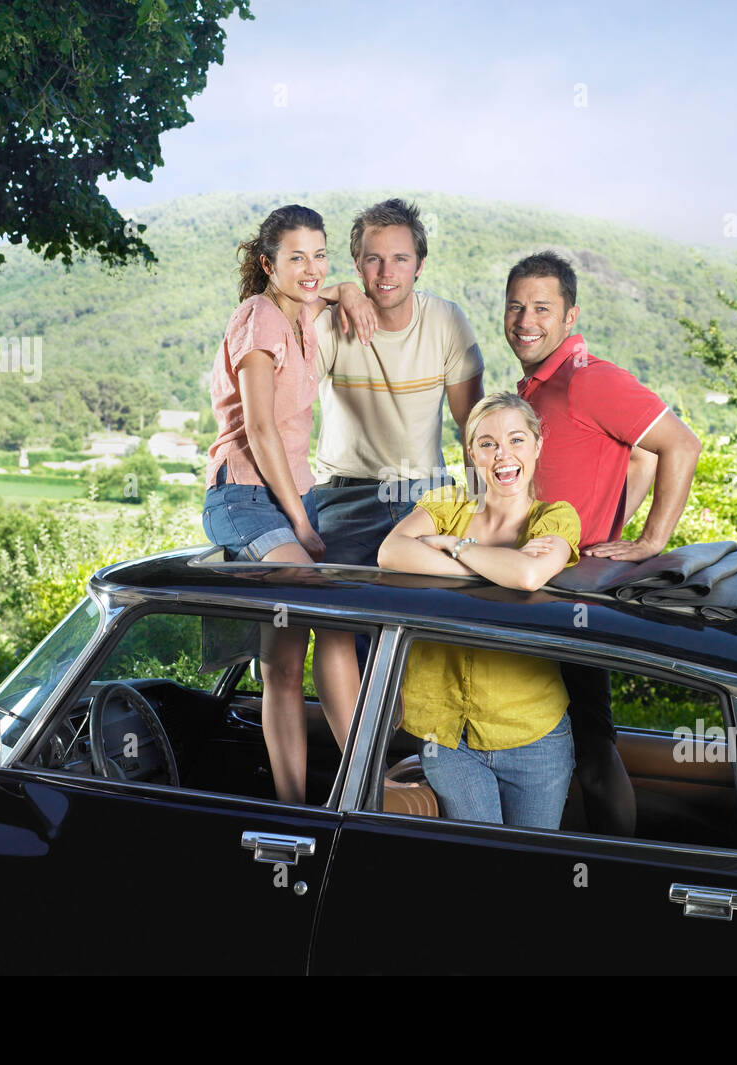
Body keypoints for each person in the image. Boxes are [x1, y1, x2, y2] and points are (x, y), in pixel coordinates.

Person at [506, 251, 701, 837]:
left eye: (542, 308)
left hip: (571, 600)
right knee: (553, 749)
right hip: (535, 586)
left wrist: (648, 540)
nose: (525, 320)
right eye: (515, 306)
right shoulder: (539, 389)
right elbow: (635, 454)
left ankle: (621, 870)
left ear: (570, 316)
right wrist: (611, 522)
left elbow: (680, 445)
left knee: (591, 752)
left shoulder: (590, 378)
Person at [201, 204, 376, 805]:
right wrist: (301, 522)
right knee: (321, 610)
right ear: (265, 263)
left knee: (282, 664)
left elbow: (323, 292)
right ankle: (361, 792)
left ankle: (296, 807)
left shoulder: (299, 308)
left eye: (319, 255)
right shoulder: (257, 318)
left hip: (291, 494)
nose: (310, 268)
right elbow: (260, 429)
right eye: (295, 257)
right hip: (247, 496)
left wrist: (346, 289)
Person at [377, 392, 581, 829]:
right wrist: (494, 571)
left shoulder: (556, 518)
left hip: (533, 733)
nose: (502, 455)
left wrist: (458, 548)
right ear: (471, 452)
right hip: (446, 735)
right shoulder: (449, 503)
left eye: (516, 440)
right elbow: (390, 552)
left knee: (528, 872)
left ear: (537, 444)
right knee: (477, 868)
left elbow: (527, 577)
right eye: (487, 444)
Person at [314, 198, 485, 565]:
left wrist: (483, 510)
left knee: (438, 611)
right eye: (374, 259)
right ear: (358, 265)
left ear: (419, 266)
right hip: (346, 498)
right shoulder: (331, 323)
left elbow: (473, 425)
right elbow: (279, 314)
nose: (386, 272)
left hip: (426, 497)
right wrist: (337, 291)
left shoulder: (446, 320)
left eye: (401, 259)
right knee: (331, 609)